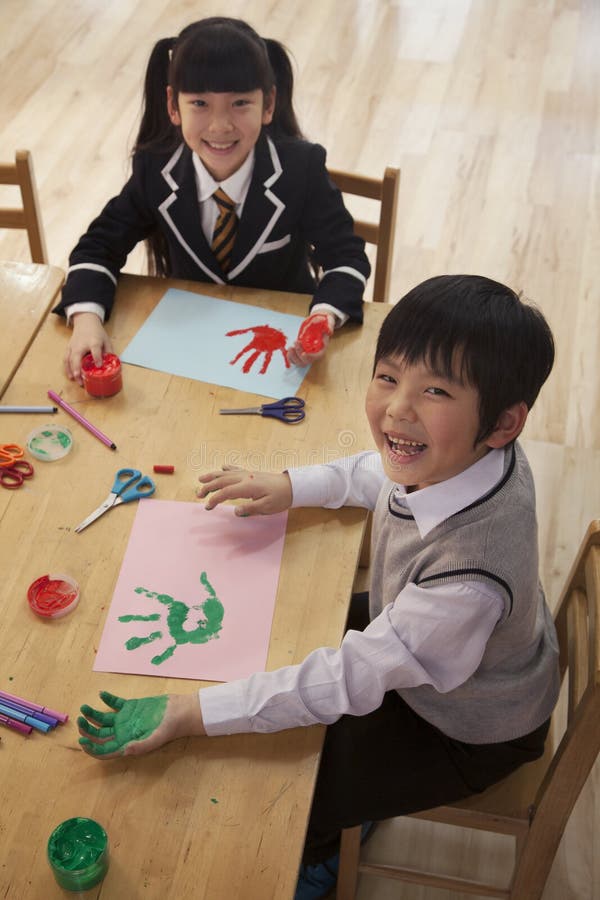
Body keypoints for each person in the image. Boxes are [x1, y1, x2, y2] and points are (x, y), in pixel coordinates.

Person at [78, 275, 560, 900]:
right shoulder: (459, 453)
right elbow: (378, 472)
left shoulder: (465, 586)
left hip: (466, 726)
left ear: (502, 423)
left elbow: (343, 683)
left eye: (434, 390)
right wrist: (289, 485)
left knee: (296, 786)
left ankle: (322, 855)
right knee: (286, 636)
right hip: (438, 643)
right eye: (388, 377)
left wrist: (190, 711)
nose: (396, 410)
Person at [54, 16, 371, 382]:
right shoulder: (154, 170)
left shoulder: (301, 168)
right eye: (200, 103)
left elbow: (346, 257)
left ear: (268, 104)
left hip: (283, 359)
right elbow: (97, 247)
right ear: (173, 105)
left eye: (240, 103)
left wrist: (323, 317)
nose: (220, 126)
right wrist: (86, 320)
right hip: (190, 353)